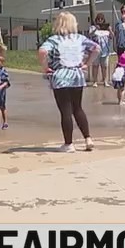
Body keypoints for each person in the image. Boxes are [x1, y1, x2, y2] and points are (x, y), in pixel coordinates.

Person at [38, 12, 99, 153]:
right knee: (78, 108)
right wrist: (87, 63)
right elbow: (96, 48)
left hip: (60, 76)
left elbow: (42, 52)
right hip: (77, 76)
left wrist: (45, 67)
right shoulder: (80, 38)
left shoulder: (54, 40)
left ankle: (68, 144)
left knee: (65, 111)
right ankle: (88, 138)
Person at [90, 15, 112, 88]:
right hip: (96, 50)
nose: (100, 20)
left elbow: (112, 36)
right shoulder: (93, 27)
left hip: (105, 50)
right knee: (95, 66)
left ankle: (105, 81)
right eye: (98, 19)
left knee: (104, 66)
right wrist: (96, 29)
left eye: (101, 19)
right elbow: (90, 35)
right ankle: (95, 81)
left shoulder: (106, 29)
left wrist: (110, 30)